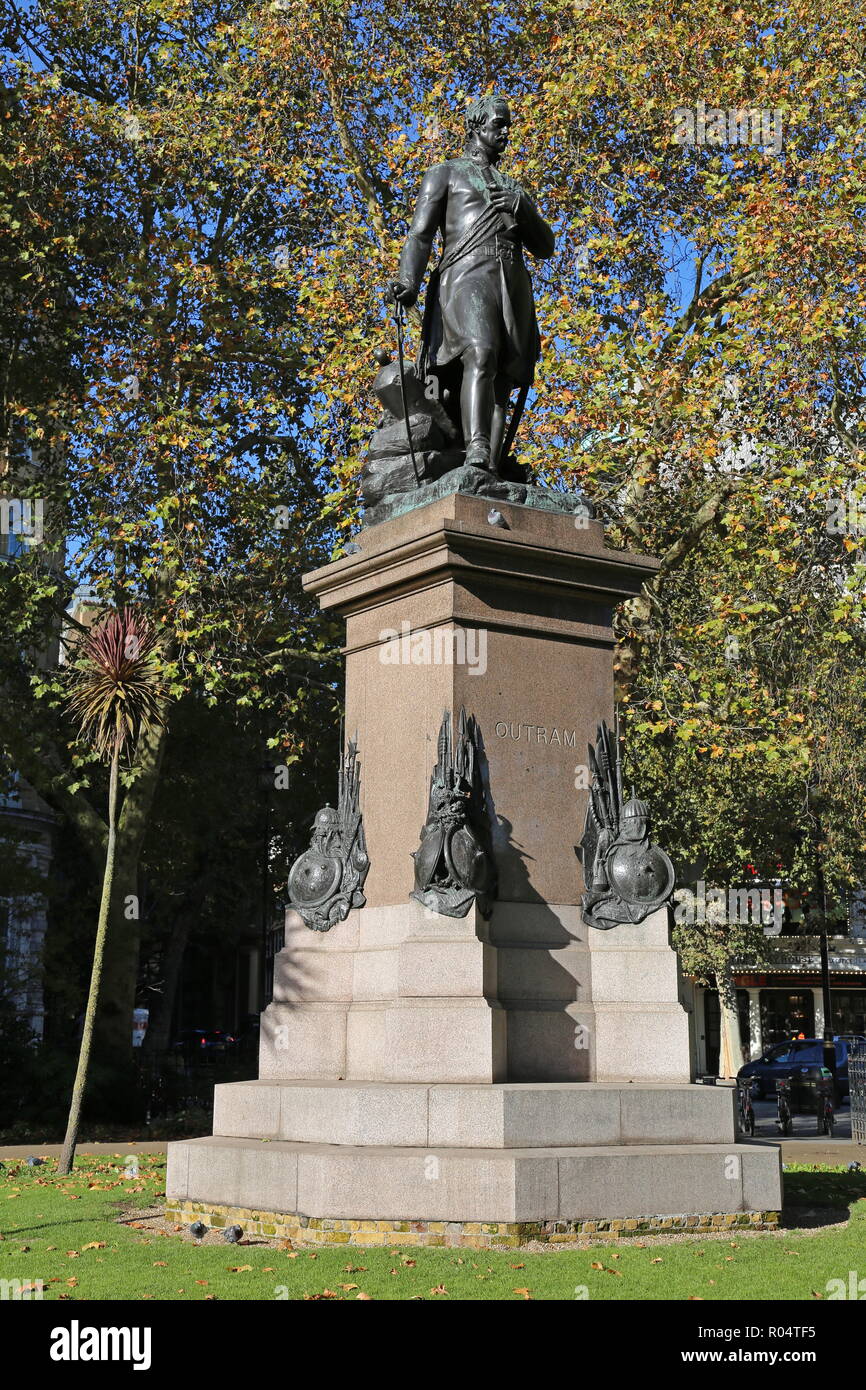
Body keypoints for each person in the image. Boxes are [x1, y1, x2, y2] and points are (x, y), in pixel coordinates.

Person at [388, 95, 554, 473]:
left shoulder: (514, 188)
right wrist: (407, 282)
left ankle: (489, 467)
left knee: (504, 375)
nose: (506, 132)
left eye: (508, 125)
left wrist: (521, 207)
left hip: (511, 281)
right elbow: (420, 235)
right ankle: (476, 447)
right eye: (499, 124)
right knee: (480, 351)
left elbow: (545, 246)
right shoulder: (445, 172)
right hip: (465, 275)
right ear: (476, 126)